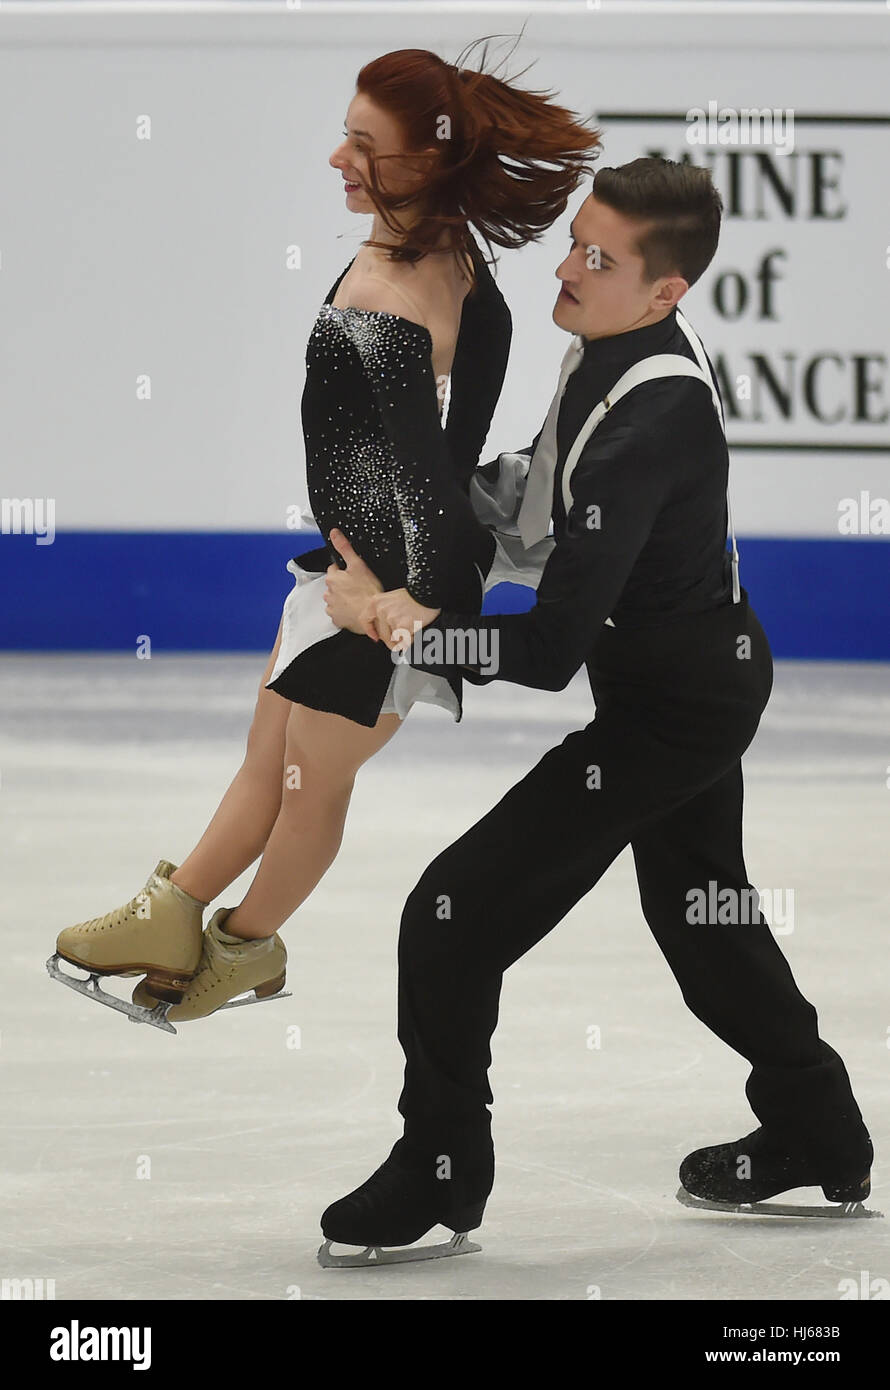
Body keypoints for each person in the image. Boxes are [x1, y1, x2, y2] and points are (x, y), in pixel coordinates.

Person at [318, 157, 872, 1259]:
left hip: (672, 710)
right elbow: (541, 482)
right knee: (704, 925)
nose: (566, 269)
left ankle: (441, 1170)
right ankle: (819, 1129)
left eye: (598, 259)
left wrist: (394, 619)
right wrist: (423, 514)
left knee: (447, 914)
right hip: (694, 674)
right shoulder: (611, 350)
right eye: (575, 240)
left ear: (665, 292)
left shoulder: (647, 421)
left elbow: (549, 649)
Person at [50, 42, 600, 1025]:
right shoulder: (441, 257)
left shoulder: (390, 298)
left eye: (361, 144)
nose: (336, 159)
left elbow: (431, 485)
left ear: (423, 161)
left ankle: (243, 945)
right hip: (355, 571)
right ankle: (174, 913)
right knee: (271, 764)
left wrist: (402, 613)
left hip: (388, 584)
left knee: (306, 783)